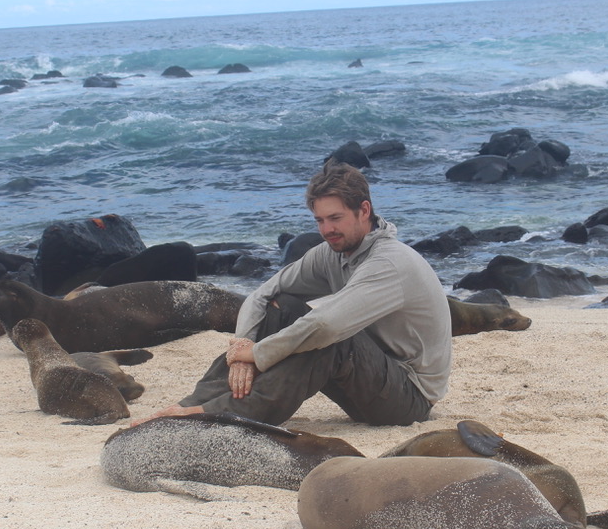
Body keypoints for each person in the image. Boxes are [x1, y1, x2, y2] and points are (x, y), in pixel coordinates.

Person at [144, 162, 452, 426]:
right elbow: (263, 294)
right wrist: (243, 347)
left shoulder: (388, 262)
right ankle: (193, 403)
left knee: (329, 338)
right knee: (285, 306)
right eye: (319, 220)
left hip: (409, 398)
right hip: (372, 378)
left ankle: (222, 412)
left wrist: (259, 354)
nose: (327, 229)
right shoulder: (333, 253)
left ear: (364, 211)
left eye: (335, 218)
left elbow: (327, 327)